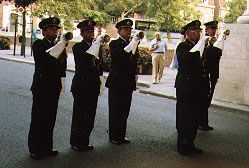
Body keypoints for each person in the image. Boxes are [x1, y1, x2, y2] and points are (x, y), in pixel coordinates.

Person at [28, 17, 72, 160]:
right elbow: (45, 60)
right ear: (44, 31)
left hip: (53, 86)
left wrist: (62, 84)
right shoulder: (38, 44)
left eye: (56, 29)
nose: (55, 32)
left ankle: (46, 147)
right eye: (52, 29)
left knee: (50, 118)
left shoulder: (59, 45)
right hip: (41, 86)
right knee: (38, 118)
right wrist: (61, 44)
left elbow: (62, 66)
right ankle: (35, 149)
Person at [175, 20, 210, 155]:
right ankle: (183, 144)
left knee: (194, 116)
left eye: (199, 32)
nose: (199, 34)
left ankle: (190, 142)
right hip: (186, 86)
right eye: (196, 32)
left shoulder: (200, 46)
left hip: (197, 86)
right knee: (185, 115)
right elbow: (186, 61)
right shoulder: (183, 46)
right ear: (188, 33)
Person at [105, 19, 143, 145]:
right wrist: (133, 43)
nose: (128, 32)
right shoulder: (114, 43)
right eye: (126, 30)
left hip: (127, 81)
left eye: (130, 30)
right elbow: (120, 56)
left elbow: (133, 60)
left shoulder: (132, 43)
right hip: (117, 81)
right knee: (116, 109)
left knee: (124, 110)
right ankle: (114, 136)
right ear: (119, 31)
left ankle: (121, 134)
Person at [70, 20, 105, 152]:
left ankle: (84, 141)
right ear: (82, 33)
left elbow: (99, 65)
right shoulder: (78, 47)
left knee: (90, 115)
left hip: (93, 85)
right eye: (88, 31)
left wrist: (101, 80)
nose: (91, 33)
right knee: (80, 115)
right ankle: (76, 142)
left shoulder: (97, 46)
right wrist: (96, 45)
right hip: (81, 85)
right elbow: (84, 62)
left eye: (92, 31)